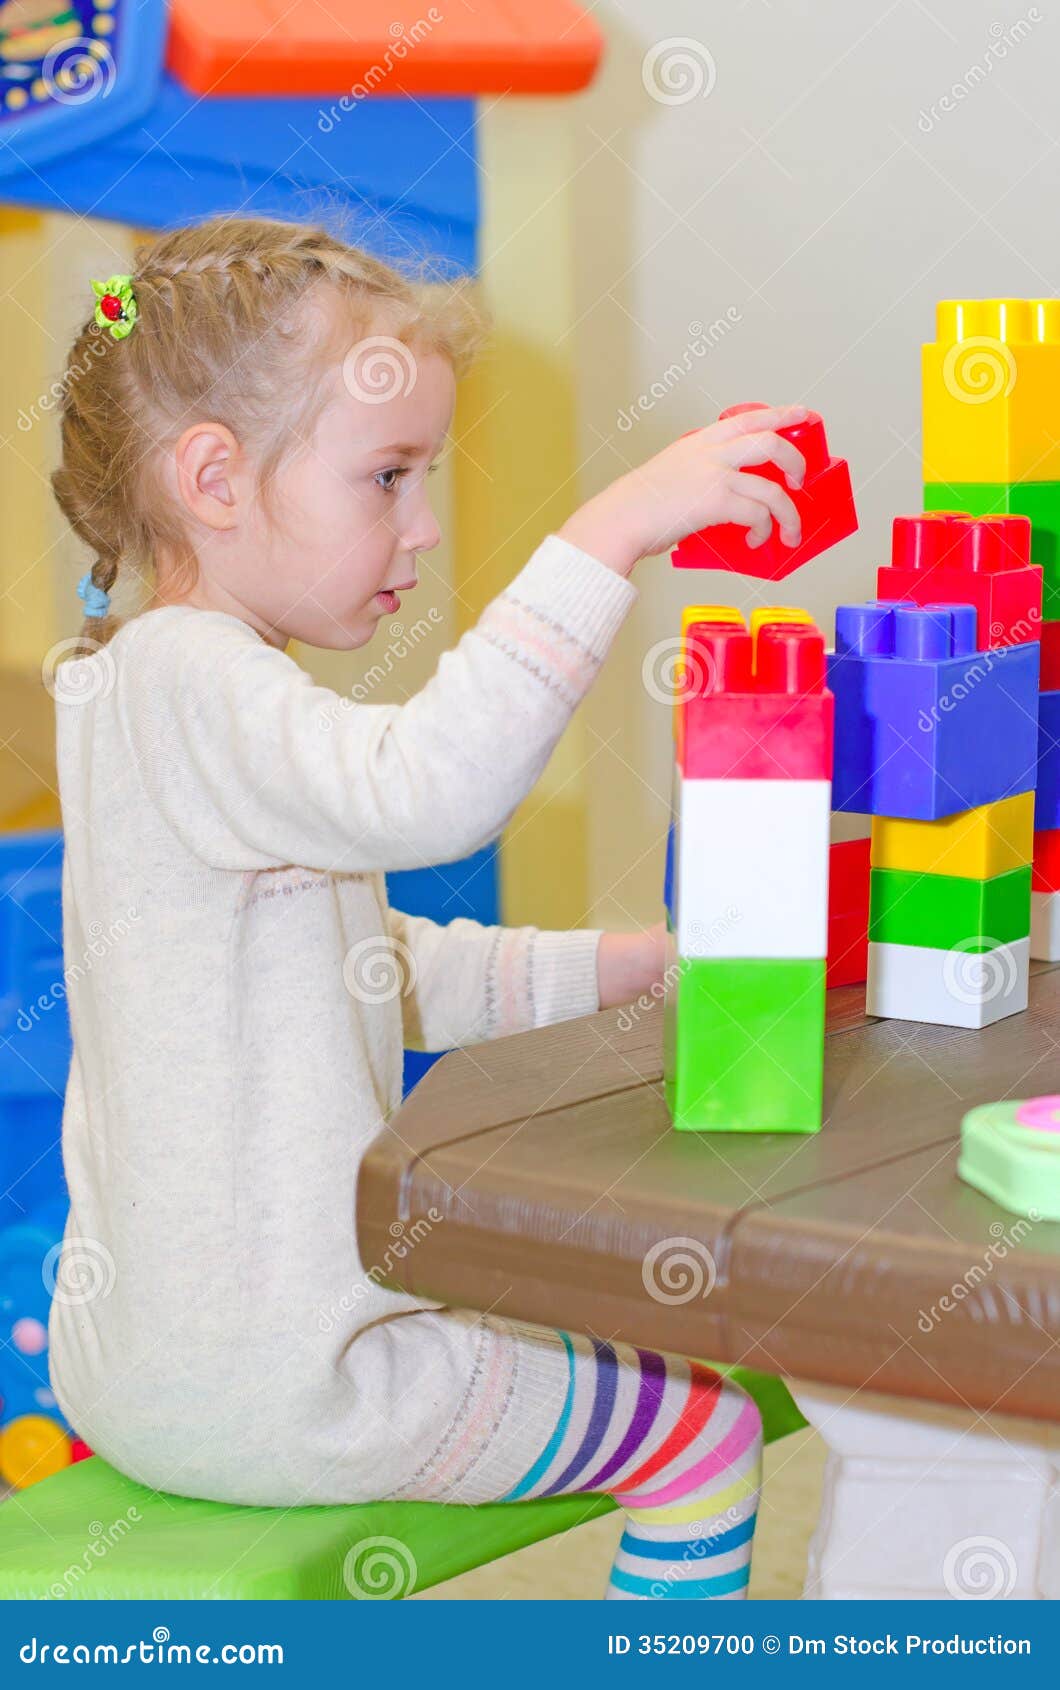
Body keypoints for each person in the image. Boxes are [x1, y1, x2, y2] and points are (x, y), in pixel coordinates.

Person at [48, 216, 807, 1598]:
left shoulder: (132, 692)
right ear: (213, 477)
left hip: (145, 1366)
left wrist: (626, 962)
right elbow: (427, 793)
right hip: (299, 1383)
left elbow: (366, 967)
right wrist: (609, 534)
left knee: (543, 1313)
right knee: (706, 1426)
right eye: (388, 477)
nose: (425, 523)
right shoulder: (196, 680)